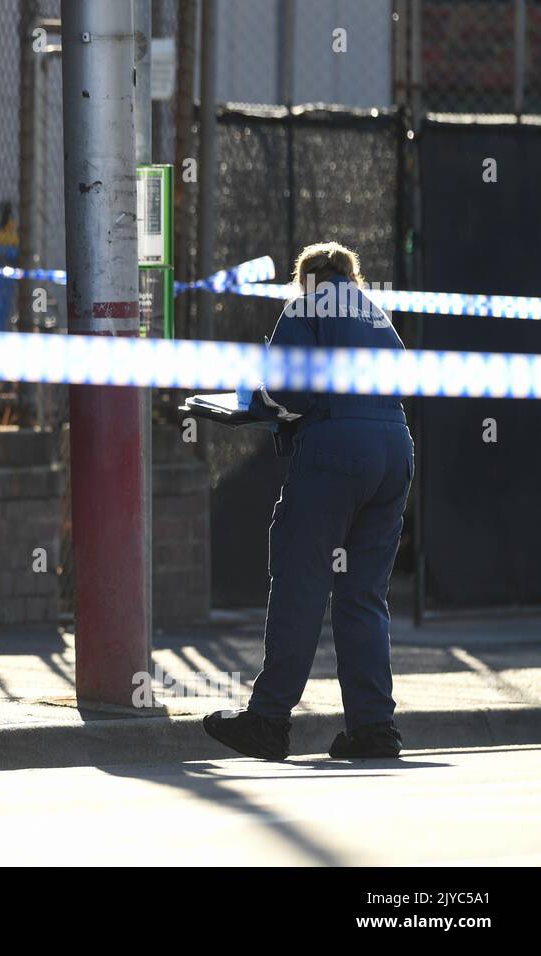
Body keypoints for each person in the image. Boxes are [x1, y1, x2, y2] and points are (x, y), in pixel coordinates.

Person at [203, 242, 414, 760]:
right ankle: (373, 729)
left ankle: (269, 721)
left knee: (301, 583)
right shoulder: (376, 314)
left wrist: (251, 399)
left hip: (334, 456)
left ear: (306, 279)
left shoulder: (305, 307)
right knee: (363, 594)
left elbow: (288, 390)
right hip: (393, 452)